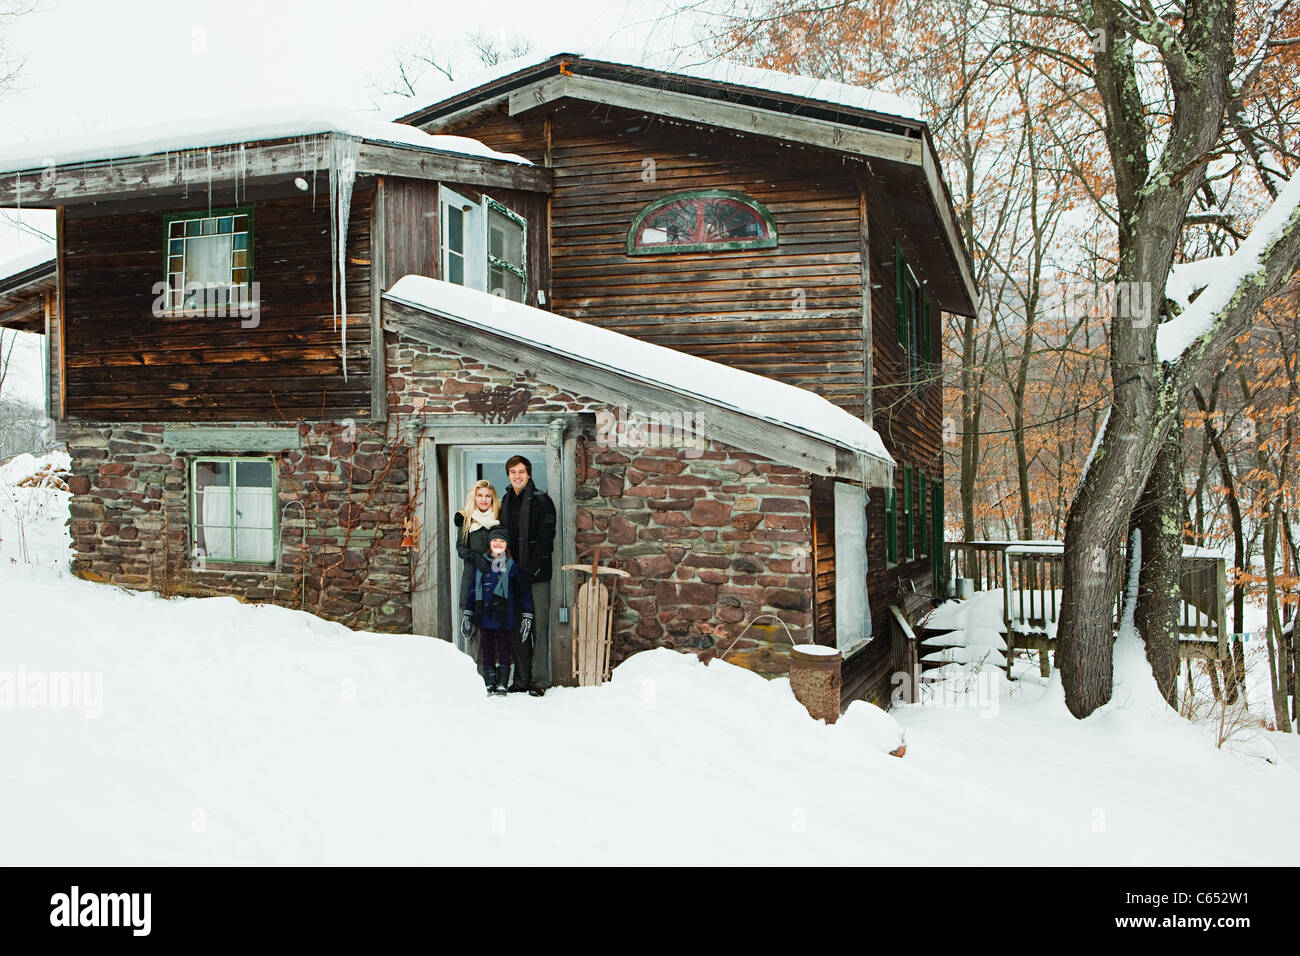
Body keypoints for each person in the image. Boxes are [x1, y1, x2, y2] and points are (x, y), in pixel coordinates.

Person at [501, 454, 556, 696]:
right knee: (517, 627)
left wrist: (530, 571)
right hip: (513, 575)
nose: (517, 476)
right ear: (508, 475)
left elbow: (546, 541)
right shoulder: (505, 501)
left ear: (529, 473)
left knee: (538, 627)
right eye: (513, 472)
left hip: (536, 575)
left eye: (521, 471)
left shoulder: (542, 500)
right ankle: (521, 679)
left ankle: (539, 680)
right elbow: (498, 535)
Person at [461, 529, 534, 696]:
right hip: (485, 613)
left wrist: (527, 613)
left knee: (504, 648)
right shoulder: (482, 564)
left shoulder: (511, 565)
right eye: (495, 541)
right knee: (487, 648)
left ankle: (502, 682)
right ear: (489, 543)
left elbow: (522, 591)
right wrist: (468, 613)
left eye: (502, 542)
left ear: (507, 545)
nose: (498, 544)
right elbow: (472, 589)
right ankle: (490, 681)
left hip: (504, 614)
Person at [453, 479, 505, 671]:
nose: (484, 499)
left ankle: (491, 674)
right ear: (474, 498)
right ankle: (475, 675)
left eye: (487, 496)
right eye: (480, 495)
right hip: (471, 581)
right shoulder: (466, 520)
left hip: (493, 581)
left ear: (493, 499)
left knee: (491, 629)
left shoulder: (499, 520)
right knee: (473, 631)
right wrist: (473, 556)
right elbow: (460, 548)